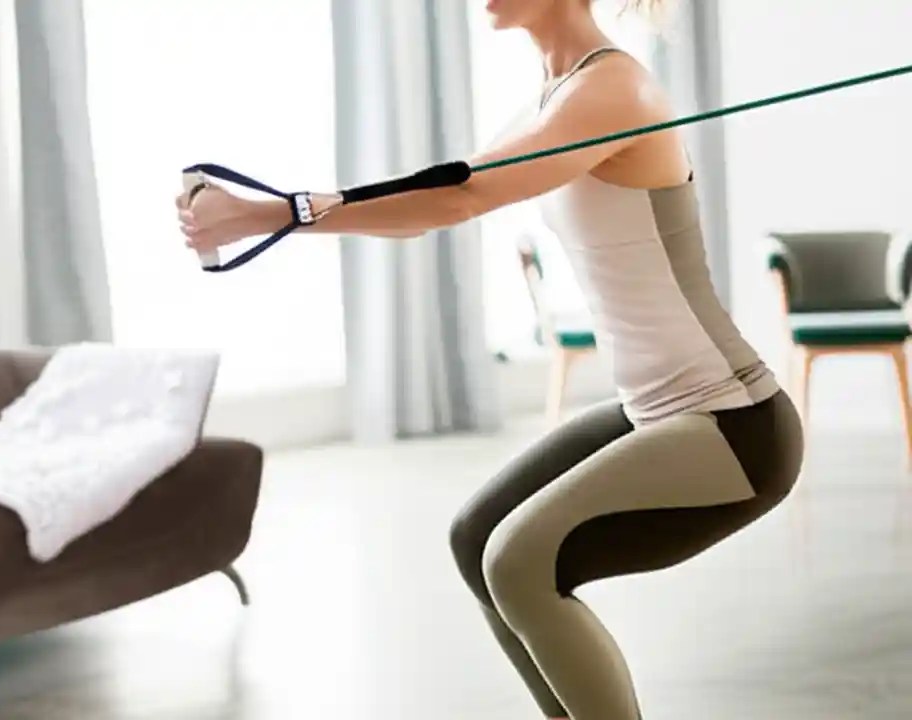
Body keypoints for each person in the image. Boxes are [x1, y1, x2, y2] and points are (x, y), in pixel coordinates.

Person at [176, 0, 804, 717]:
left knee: (518, 561)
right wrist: (265, 214)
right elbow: (437, 194)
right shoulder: (560, 94)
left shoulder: (614, 91)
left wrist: (274, 211)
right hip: (658, 414)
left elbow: (461, 197)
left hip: (733, 425)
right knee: (477, 539)